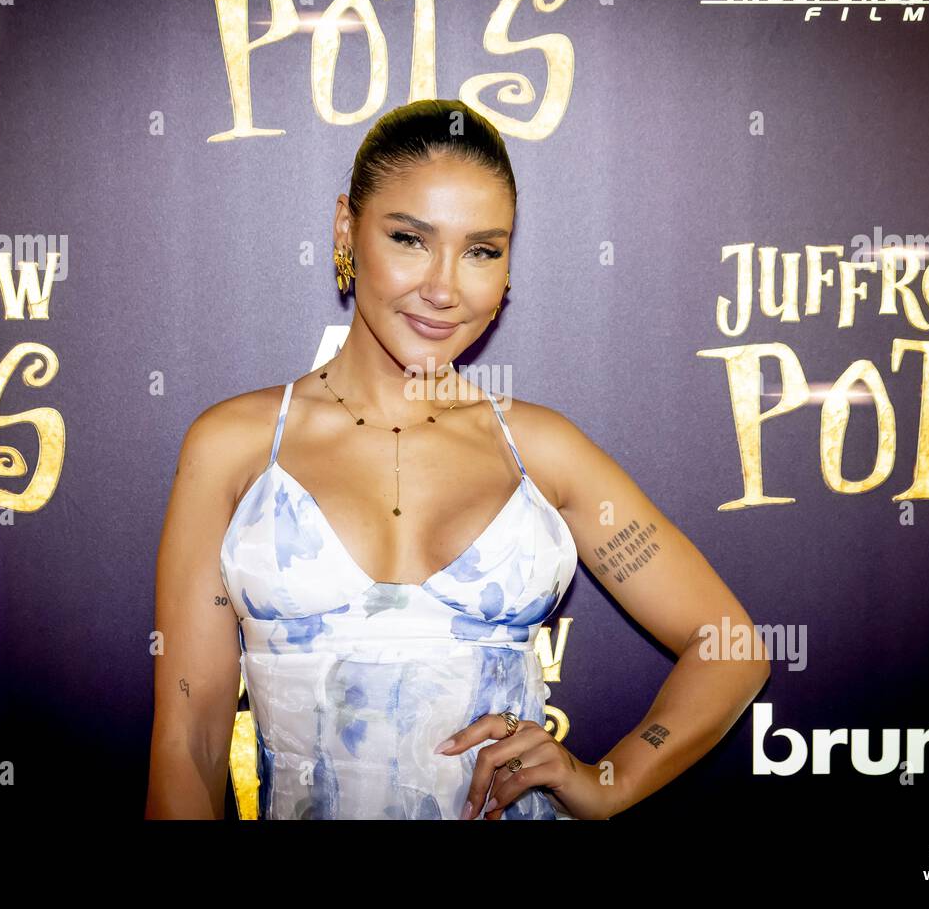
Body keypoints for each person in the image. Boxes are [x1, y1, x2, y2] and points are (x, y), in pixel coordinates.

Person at [146, 98, 770, 820]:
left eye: (482, 250)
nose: (444, 288)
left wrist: (611, 782)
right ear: (346, 228)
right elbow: (189, 743)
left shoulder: (540, 450)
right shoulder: (236, 447)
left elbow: (727, 646)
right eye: (411, 239)